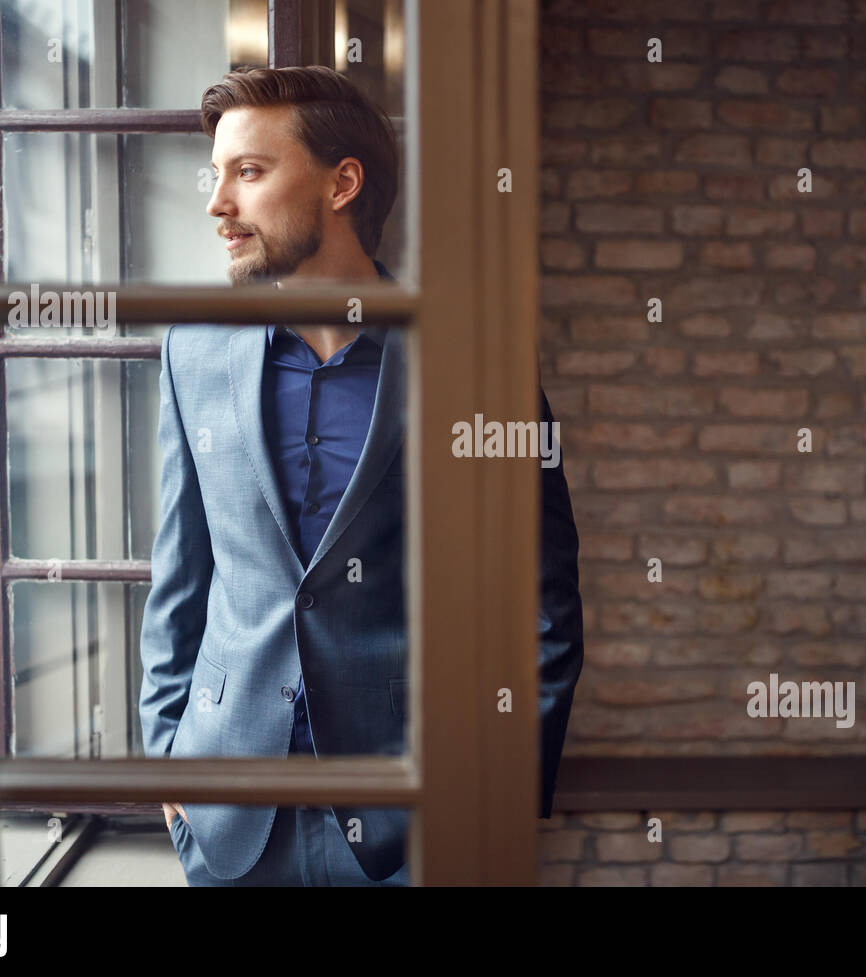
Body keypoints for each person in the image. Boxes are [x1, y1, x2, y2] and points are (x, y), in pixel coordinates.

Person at [138, 66, 584, 886]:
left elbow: (544, 610)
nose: (217, 205)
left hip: (409, 826)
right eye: (216, 175)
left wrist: (501, 794)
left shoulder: (476, 364)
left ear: (343, 184)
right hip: (231, 818)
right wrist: (165, 754)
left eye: (249, 172)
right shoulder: (191, 349)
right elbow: (180, 579)